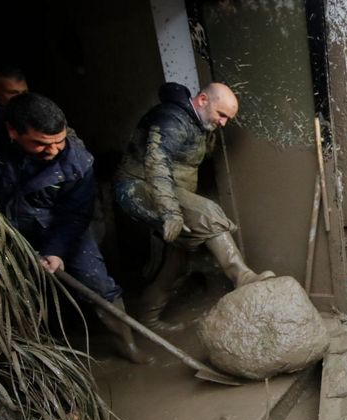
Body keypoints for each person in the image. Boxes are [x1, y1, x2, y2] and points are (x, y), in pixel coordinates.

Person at [0, 92, 145, 362]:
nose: (54, 151)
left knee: (96, 281)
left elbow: (76, 214)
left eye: (59, 141)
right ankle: (32, 359)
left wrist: (55, 251)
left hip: (55, 221)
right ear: (13, 131)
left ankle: (128, 345)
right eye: (42, 144)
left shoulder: (78, 161)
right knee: (8, 292)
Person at [114, 81, 272, 330]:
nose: (223, 123)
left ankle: (147, 319)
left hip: (167, 190)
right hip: (138, 187)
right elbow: (157, 165)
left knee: (179, 260)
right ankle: (243, 276)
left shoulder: (198, 123)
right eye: (221, 115)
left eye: (227, 119)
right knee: (209, 214)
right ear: (202, 100)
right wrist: (170, 212)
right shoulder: (171, 120)